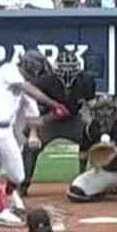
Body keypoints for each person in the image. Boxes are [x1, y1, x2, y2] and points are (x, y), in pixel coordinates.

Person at [0, 50, 69, 226]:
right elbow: (30, 90)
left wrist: (51, 118)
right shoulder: (8, 71)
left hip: (5, 132)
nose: (39, 74)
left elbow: (34, 119)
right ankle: (0, 212)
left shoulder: (26, 90)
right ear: (31, 67)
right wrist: (54, 104)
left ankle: (8, 195)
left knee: (18, 176)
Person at [19, 48, 97, 195]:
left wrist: (100, 127)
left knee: (95, 138)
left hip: (73, 120)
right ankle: (23, 183)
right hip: (49, 120)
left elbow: (92, 105)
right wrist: (33, 133)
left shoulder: (86, 81)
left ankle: (90, 179)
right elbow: (31, 107)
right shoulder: (45, 82)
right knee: (31, 147)